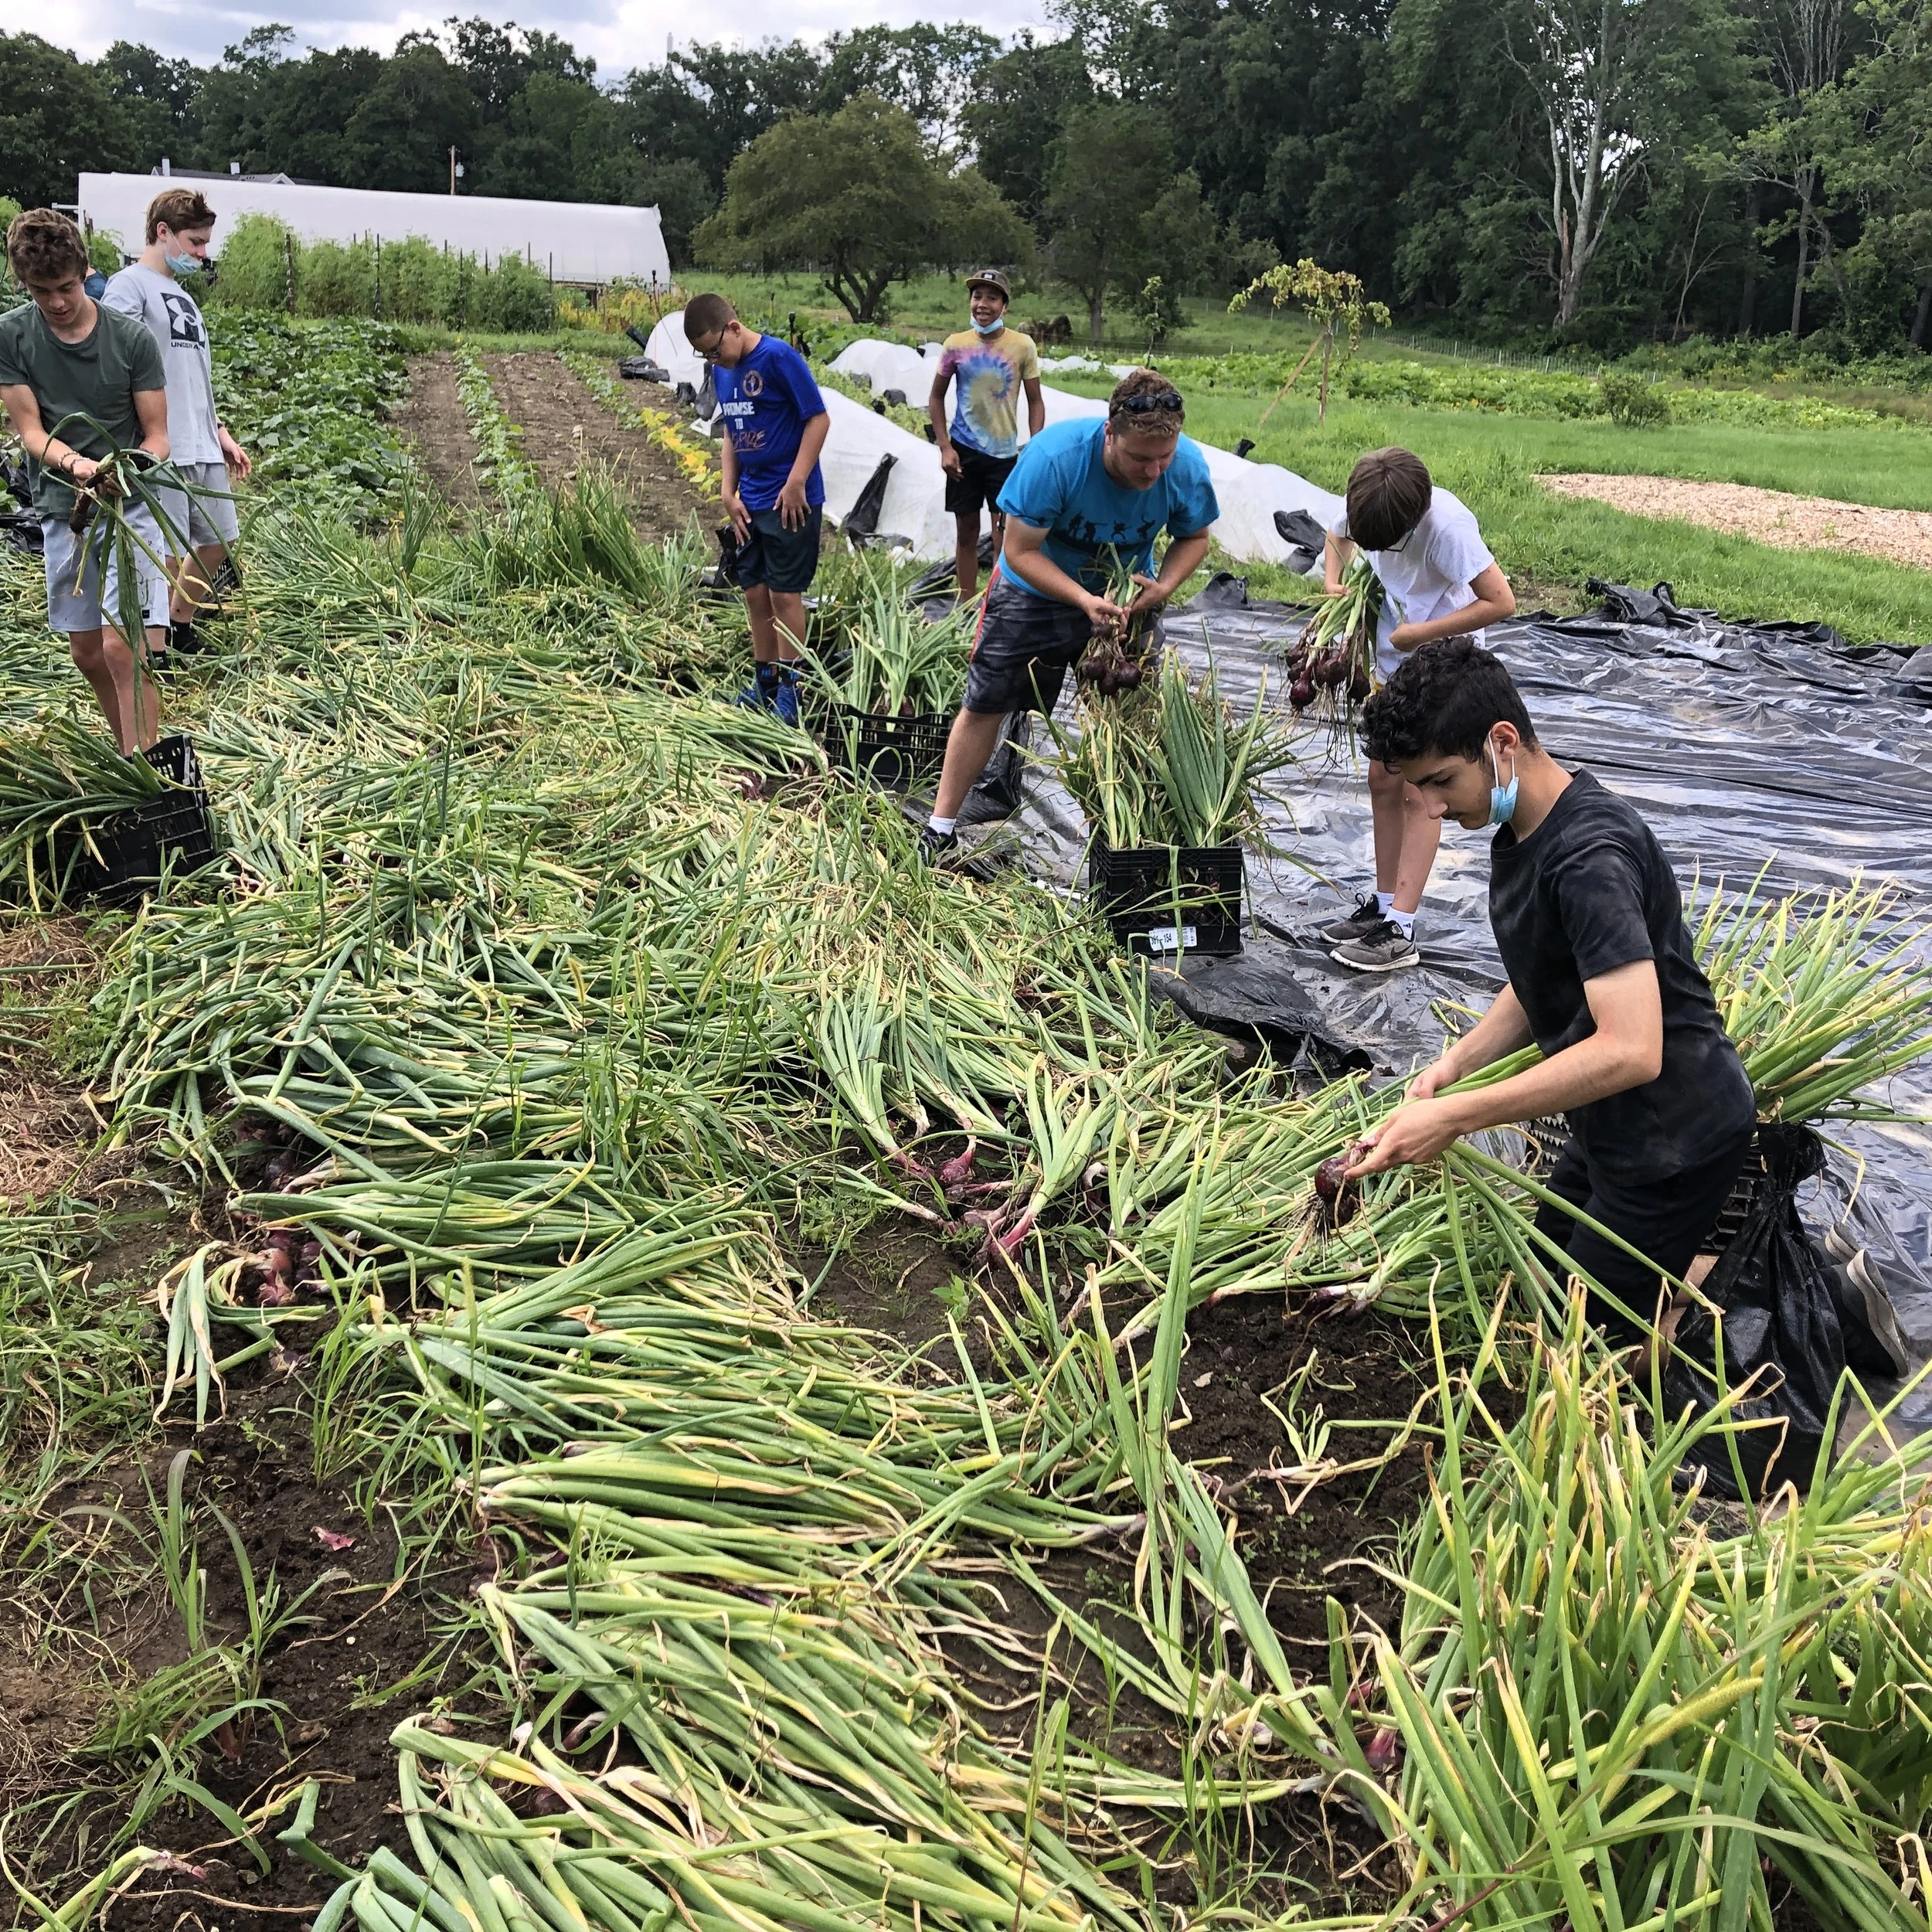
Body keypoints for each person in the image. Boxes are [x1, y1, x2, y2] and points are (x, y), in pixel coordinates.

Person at [1345, 638, 1757, 1349]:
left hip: (1673, 1139)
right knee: (1544, 1280)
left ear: (1502, 742)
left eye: (1442, 782)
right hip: (1608, 1126)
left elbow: (1631, 1050)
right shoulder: (1524, 824)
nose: (1434, 811)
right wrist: (1453, 1068)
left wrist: (1458, 1117)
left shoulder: (1590, 859)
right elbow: (1543, 976)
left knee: (1586, 1344)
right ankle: (1683, 1285)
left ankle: (1706, 1312)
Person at [919, 372, 1219, 862]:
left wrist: (1162, 587)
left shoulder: (1184, 466)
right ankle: (941, 825)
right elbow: (1018, 552)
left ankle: (1124, 840)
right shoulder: (1056, 459)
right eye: (1140, 458)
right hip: (1034, 590)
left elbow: (1195, 536)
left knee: (1129, 713)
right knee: (988, 701)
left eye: (1164, 456)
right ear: (1109, 434)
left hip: (1123, 600)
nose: (1153, 472)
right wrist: (1082, 599)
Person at [1318, 447, 1516, 974]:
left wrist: (1420, 635)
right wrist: (1333, 579)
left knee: (1419, 793)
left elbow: (1501, 601)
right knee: (1384, 782)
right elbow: (1335, 535)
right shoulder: (1368, 505)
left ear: (1415, 516)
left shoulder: (1447, 525)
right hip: (1393, 662)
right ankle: (1382, 908)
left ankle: (1402, 930)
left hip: (1440, 666)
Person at [0, 209, 171, 754]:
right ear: (21, 283)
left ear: (86, 272)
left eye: (67, 287)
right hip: (63, 506)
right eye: (41, 290)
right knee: (88, 653)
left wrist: (125, 467)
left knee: (127, 650)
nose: (56, 301)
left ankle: (149, 770)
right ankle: (129, 754)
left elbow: (158, 438)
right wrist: (76, 464)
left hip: (131, 506)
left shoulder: (130, 340)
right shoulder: (12, 336)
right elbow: (30, 429)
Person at [104, 187, 251, 655]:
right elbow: (114, 365)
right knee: (162, 551)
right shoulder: (128, 286)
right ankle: (155, 650)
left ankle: (177, 622)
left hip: (201, 439)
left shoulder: (184, 297)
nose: (202, 254)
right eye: (195, 242)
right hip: (161, 442)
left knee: (219, 541)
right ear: (162, 232)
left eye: (206, 244)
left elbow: (195, 375)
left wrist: (220, 431)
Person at [682, 293, 830, 726]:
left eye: (715, 349)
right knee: (755, 594)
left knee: (785, 595)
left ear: (733, 327)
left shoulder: (778, 358)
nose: (714, 359)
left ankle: (791, 691)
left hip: (789, 500)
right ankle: (764, 683)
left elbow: (818, 419)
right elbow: (730, 431)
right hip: (749, 501)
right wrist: (728, 492)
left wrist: (796, 481)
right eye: (704, 355)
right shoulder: (724, 371)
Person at [927, 268, 1045, 603]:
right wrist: (945, 448)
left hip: (1004, 457)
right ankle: (965, 605)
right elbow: (935, 398)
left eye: (992, 298)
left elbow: (1036, 401)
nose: (983, 304)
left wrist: (1036, 446)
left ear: (1004, 306)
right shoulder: (956, 345)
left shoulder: (1022, 347)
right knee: (966, 531)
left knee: (1003, 534)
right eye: (977, 297)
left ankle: (994, 603)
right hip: (963, 454)